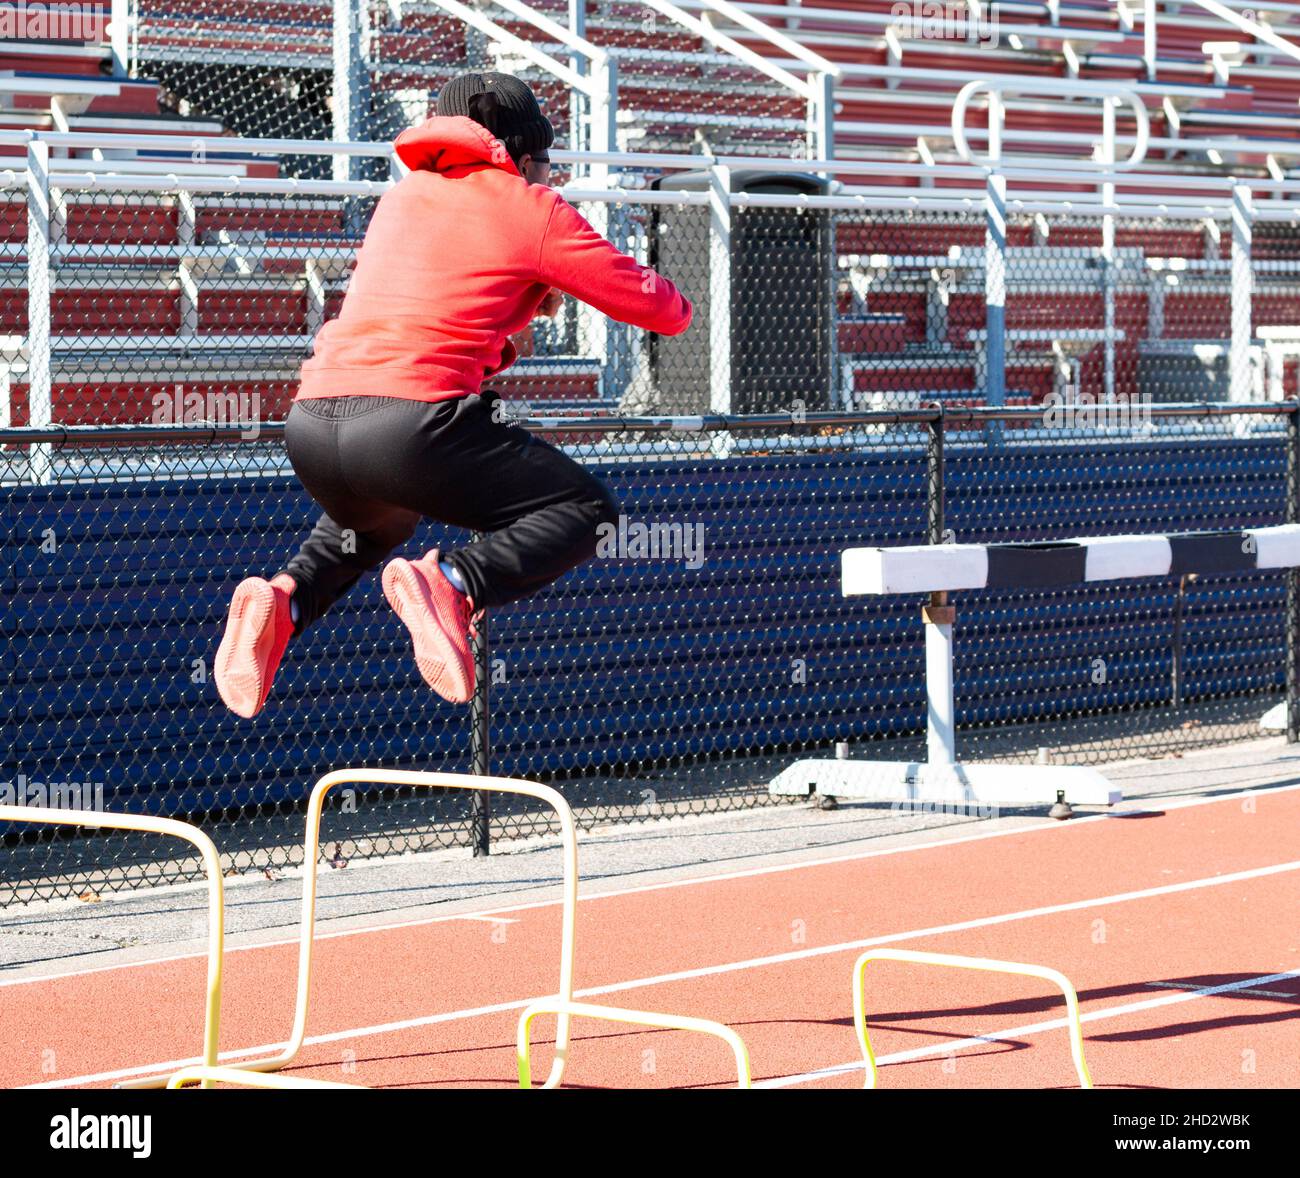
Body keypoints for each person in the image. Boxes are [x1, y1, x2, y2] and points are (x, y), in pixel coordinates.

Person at [213, 72, 693, 718]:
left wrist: (513, 310)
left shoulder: (404, 198)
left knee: (376, 519)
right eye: (546, 165)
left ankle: (284, 598)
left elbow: (431, 317)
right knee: (586, 510)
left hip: (315, 425)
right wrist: (561, 258)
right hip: (412, 426)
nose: (549, 178)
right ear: (523, 157)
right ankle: (453, 581)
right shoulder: (530, 205)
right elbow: (663, 310)